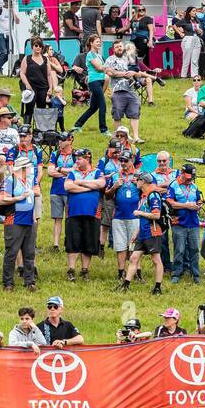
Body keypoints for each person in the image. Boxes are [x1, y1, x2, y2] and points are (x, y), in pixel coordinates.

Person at [118, 173, 166, 295]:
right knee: (134, 258)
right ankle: (125, 285)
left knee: (156, 260)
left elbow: (156, 215)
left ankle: (157, 287)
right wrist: (136, 233)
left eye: (138, 179)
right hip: (143, 232)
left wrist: (139, 213)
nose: (135, 181)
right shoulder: (143, 197)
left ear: (143, 181)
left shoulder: (153, 196)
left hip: (153, 231)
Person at [63, 147, 105, 280]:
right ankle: (71, 269)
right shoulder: (73, 173)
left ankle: (85, 269)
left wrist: (80, 183)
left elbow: (101, 184)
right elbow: (68, 186)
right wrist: (89, 188)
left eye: (79, 158)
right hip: (74, 212)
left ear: (87, 159)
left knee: (89, 241)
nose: (77, 161)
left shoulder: (97, 172)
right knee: (72, 241)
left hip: (92, 213)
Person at [0, 155, 40, 290]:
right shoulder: (10, 180)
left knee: (29, 252)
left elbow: (34, 197)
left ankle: (29, 282)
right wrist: (19, 197)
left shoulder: (29, 180)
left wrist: (34, 217)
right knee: (11, 252)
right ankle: (8, 282)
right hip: (14, 219)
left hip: (29, 219)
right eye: (29, 166)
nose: (31, 169)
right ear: (23, 168)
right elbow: (2, 199)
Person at [167, 163, 203, 285]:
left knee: (194, 249)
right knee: (179, 249)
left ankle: (195, 274)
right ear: (181, 173)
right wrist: (186, 205)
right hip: (178, 222)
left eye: (191, 178)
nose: (189, 180)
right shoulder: (174, 185)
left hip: (193, 222)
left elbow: (199, 199)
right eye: (187, 177)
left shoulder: (194, 186)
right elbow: (170, 202)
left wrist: (199, 205)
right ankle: (176, 273)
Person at [107, 40, 148, 142]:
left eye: (121, 46)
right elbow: (110, 73)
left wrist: (134, 74)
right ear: (113, 49)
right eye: (117, 47)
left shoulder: (128, 59)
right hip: (117, 90)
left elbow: (135, 71)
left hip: (131, 90)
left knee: (135, 113)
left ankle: (136, 137)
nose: (119, 48)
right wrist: (125, 74)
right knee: (117, 115)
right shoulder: (110, 59)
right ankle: (117, 138)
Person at [73, 35, 110, 135]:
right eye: (97, 41)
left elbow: (105, 69)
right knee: (103, 105)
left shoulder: (99, 56)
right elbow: (98, 68)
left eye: (99, 41)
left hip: (101, 81)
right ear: (91, 43)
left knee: (93, 108)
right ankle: (104, 130)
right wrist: (109, 66)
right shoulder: (90, 55)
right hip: (94, 82)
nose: (99, 43)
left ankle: (77, 125)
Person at [0, 0, 17, 76]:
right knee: (4, 52)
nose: (7, 3)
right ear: (4, 2)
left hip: (9, 34)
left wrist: (13, 11)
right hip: (0, 33)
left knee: (10, 54)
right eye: (6, 1)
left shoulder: (12, 11)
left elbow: (17, 21)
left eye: (9, 2)